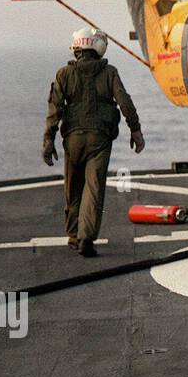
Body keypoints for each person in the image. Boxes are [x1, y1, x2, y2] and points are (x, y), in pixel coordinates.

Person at [42, 27, 144, 257]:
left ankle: (73, 235)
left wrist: (49, 140)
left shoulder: (63, 74)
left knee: (73, 187)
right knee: (94, 189)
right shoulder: (110, 72)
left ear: (77, 48)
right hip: (99, 140)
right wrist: (135, 130)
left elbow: (54, 110)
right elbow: (125, 102)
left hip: (73, 139)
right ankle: (86, 236)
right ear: (97, 47)